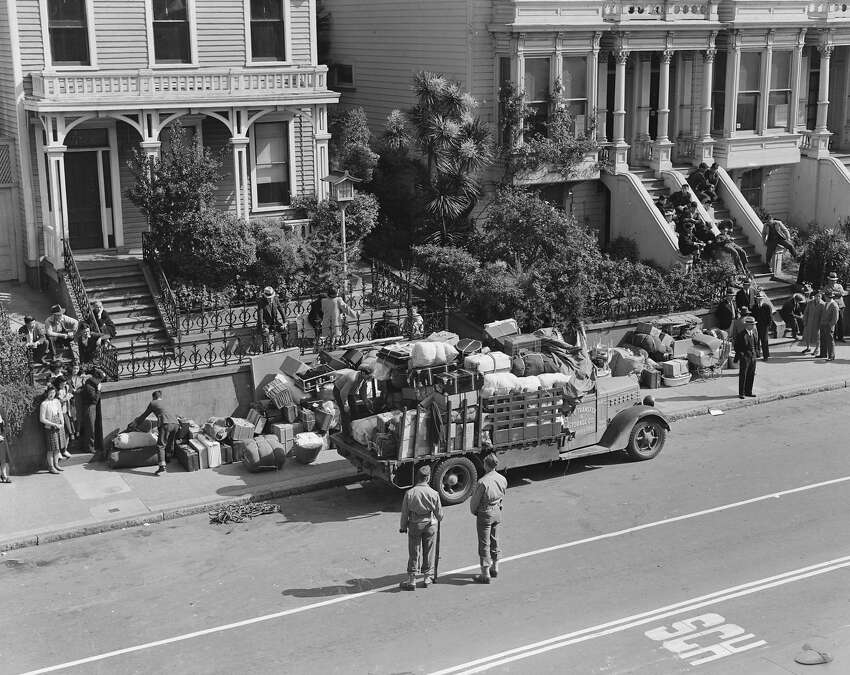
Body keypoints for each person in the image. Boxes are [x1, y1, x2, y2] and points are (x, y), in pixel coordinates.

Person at [398, 464, 444, 590]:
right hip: (430, 525)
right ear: (428, 478)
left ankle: (412, 580)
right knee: (428, 551)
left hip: (414, 524)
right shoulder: (434, 493)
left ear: (417, 477)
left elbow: (405, 513)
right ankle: (427, 578)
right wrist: (439, 517)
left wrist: (403, 527)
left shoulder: (410, 493)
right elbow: (439, 515)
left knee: (414, 552)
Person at [469, 452, 508, 584]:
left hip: (485, 513)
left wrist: (475, 512)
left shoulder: (482, 482)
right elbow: (502, 494)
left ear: (486, 465)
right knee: (495, 539)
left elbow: (474, 503)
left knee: (484, 543)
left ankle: (485, 574)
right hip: (497, 510)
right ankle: (495, 567)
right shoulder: (502, 479)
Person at [132, 390, 179, 476]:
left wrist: (136, 423)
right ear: (161, 396)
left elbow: (145, 415)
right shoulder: (165, 403)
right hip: (176, 424)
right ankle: (168, 458)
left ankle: (162, 465)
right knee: (170, 442)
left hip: (166, 424)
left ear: (154, 397)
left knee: (160, 445)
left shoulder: (153, 403)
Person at [333, 363, 378, 433]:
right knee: (345, 413)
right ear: (363, 373)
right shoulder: (352, 378)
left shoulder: (364, 378)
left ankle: (355, 430)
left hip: (350, 392)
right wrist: (345, 404)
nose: (370, 379)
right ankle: (346, 433)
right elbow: (343, 393)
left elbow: (363, 390)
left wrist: (366, 400)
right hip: (339, 392)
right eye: (369, 377)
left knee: (355, 411)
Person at [39, 385, 66, 474]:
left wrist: (62, 423)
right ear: (47, 393)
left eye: (53, 392)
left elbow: (60, 413)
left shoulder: (57, 401)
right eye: (50, 392)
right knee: (51, 449)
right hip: (50, 427)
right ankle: (51, 467)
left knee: (57, 448)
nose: (52, 394)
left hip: (59, 426)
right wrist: (53, 424)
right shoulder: (44, 404)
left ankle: (56, 464)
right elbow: (42, 419)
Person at [81, 369, 105, 461]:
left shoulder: (91, 383)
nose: (100, 382)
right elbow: (95, 400)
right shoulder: (89, 386)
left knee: (92, 427)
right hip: (89, 407)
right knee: (90, 428)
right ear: (95, 378)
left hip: (91, 407)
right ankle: (89, 447)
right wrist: (98, 390)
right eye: (99, 380)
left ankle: (90, 445)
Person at [733, 316, 758, 399]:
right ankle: (742, 393)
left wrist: (756, 354)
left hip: (753, 357)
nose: (754, 326)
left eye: (754, 324)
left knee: (751, 375)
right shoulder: (741, 334)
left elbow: (756, 344)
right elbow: (736, 346)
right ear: (748, 325)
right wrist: (742, 355)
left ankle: (749, 392)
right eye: (752, 324)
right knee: (743, 375)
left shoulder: (753, 333)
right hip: (745, 357)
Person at [257, 286, 288, 353]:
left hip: (274, 322)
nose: (270, 299)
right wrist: (262, 325)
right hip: (265, 323)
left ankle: (285, 347)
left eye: (271, 297)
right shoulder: (261, 302)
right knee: (265, 332)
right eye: (269, 298)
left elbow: (281, 309)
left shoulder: (275, 299)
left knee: (284, 329)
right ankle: (267, 351)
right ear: (265, 297)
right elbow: (260, 314)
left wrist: (285, 322)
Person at [55, 377, 76, 456]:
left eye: (65, 383)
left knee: (67, 432)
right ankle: (58, 451)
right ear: (58, 383)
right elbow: (57, 402)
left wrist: (70, 395)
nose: (64, 385)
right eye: (62, 384)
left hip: (67, 412)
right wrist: (65, 399)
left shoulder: (66, 387)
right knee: (60, 433)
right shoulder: (56, 391)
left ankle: (64, 450)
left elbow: (71, 390)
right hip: (60, 414)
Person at [824, 272, 846, 342]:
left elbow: (842, 293)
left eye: (834, 280)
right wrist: (836, 293)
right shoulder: (826, 286)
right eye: (831, 280)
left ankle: (841, 337)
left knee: (840, 322)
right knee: (833, 321)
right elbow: (827, 294)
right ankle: (833, 337)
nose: (833, 281)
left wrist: (833, 293)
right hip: (832, 306)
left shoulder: (839, 286)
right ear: (829, 280)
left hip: (840, 306)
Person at [802, 288, 825, 355]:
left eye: (819, 296)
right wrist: (805, 321)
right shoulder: (810, 303)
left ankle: (817, 349)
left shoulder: (823, 304)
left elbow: (823, 315)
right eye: (816, 296)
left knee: (817, 337)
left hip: (817, 323)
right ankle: (808, 347)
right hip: (809, 322)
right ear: (814, 296)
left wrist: (821, 324)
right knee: (807, 335)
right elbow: (806, 312)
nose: (818, 297)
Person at [753, 291, 774, 360]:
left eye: (760, 299)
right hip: (756, 326)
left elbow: (770, 317)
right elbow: (753, 316)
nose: (759, 300)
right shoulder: (754, 307)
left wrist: (768, 325)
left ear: (763, 299)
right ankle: (758, 354)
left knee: (764, 341)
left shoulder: (767, 307)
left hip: (764, 326)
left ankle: (766, 355)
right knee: (756, 340)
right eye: (758, 299)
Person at [820, 290, 840, 361]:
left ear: (828, 297)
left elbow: (835, 318)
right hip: (823, 325)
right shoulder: (826, 303)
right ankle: (823, 354)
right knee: (823, 340)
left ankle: (831, 356)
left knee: (830, 341)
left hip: (829, 326)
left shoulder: (834, 305)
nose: (824, 297)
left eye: (825, 296)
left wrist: (830, 325)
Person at [0, 411, 11, 483]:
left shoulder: (1, 410)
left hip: (2, 438)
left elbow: (6, 425)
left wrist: (2, 435)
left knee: (3, 457)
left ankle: (4, 475)